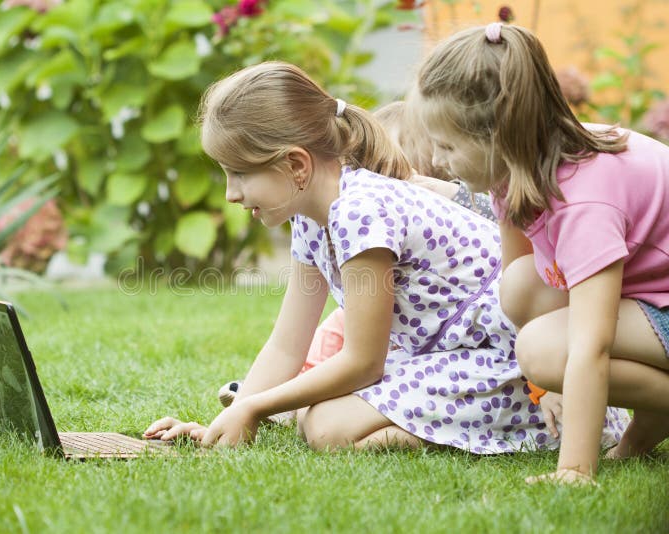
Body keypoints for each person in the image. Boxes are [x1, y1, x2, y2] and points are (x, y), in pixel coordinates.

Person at [144, 60, 629, 456]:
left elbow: (362, 362)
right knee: (318, 416)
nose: (231, 193)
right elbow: (286, 346)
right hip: (447, 357)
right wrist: (224, 421)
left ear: (295, 164)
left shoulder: (360, 211)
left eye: (238, 174)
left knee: (327, 427)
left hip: (512, 362)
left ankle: (530, 430)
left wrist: (252, 409)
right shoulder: (312, 219)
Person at [412, 22, 669, 484]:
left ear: (499, 136)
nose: (436, 159)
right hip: (654, 297)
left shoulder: (585, 200)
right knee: (520, 286)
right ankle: (650, 421)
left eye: (447, 145)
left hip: (660, 304)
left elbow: (593, 342)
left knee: (545, 349)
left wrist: (573, 469)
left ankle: (651, 413)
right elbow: (522, 291)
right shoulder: (513, 173)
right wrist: (545, 390)